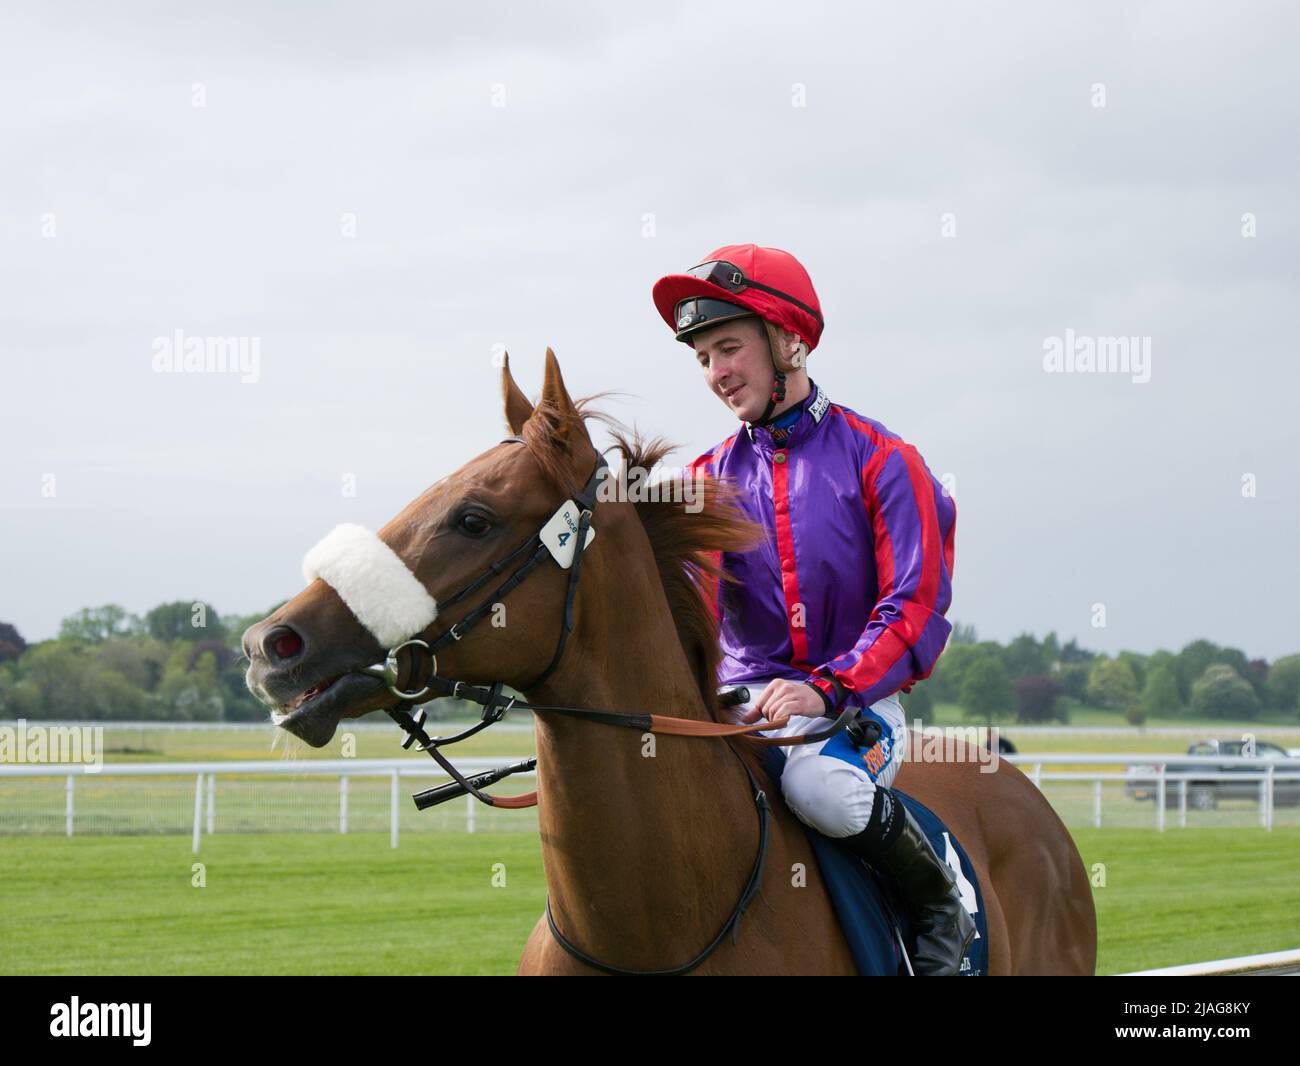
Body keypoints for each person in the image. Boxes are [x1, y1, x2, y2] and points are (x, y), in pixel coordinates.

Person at [651, 244, 976, 975]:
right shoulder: (704, 482)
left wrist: (827, 687)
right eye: (702, 357)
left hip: (854, 709)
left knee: (818, 786)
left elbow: (916, 609)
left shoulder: (886, 460)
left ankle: (937, 906)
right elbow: (684, 622)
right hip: (740, 707)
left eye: (728, 347)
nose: (716, 373)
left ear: (788, 341)